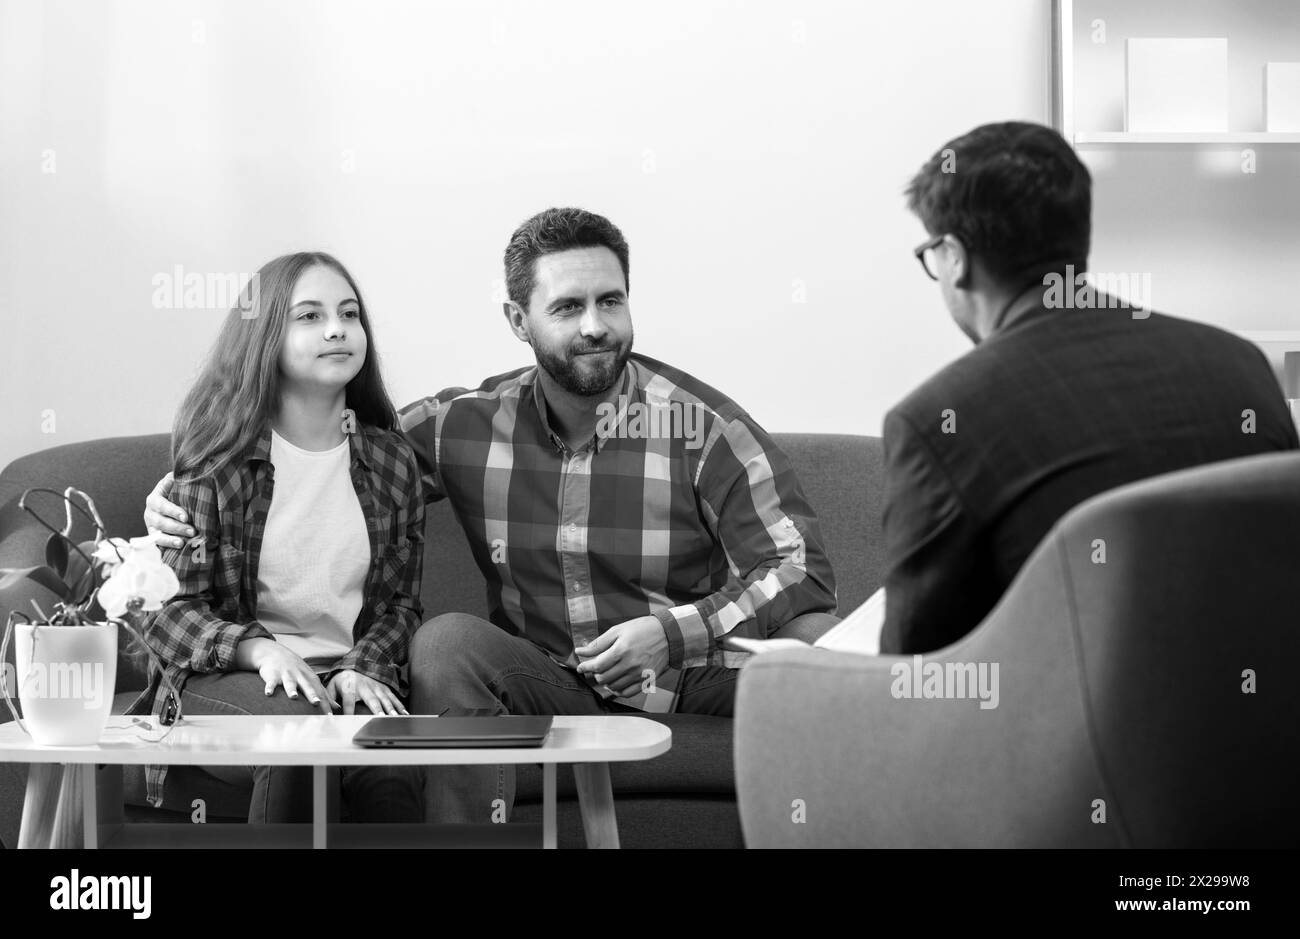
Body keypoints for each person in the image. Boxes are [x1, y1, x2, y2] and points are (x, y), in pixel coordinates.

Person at [149, 207, 839, 825]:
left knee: (848, 683)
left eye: (611, 301)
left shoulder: (700, 424)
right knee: (446, 642)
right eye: (567, 306)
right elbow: (326, 455)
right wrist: (174, 491)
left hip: (686, 679)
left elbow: (798, 566)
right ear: (519, 321)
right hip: (541, 680)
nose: (595, 324)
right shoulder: (461, 428)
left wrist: (672, 633)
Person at [877, 120, 1300, 655]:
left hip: (1067, 733)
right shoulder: (1241, 364)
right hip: (1266, 720)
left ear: (955, 257)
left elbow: (914, 673)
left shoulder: (939, 420)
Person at [129, 252, 425, 823]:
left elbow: (402, 605)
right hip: (225, 676)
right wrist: (258, 648)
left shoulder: (392, 462)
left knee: (390, 758)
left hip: (342, 673)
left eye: (349, 314)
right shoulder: (215, 464)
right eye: (309, 316)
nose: (337, 329)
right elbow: (167, 614)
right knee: (299, 730)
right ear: (265, 337)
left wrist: (362, 666)